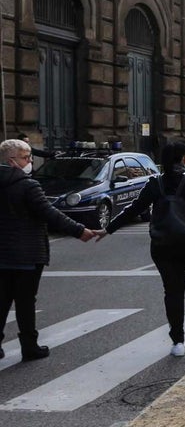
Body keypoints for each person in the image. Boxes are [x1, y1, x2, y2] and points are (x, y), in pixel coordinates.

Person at [100, 141, 185, 357]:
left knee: (173, 292)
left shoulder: (154, 182)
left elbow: (134, 209)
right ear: (184, 159)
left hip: (162, 245)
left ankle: (178, 342)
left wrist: (108, 229)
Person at [0, 138, 97, 361]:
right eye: (26, 158)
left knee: (2, 300)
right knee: (25, 302)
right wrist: (80, 231)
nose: (30, 161)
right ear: (12, 160)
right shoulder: (27, 185)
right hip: (26, 253)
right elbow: (49, 213)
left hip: (2, 254)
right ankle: (29, 346)